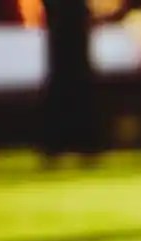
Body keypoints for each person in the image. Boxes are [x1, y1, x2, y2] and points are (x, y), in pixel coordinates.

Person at [40, 0, 105, 161]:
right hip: (66, 19)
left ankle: (64, 143)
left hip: (66, 19)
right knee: (71, 78)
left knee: (69, 78)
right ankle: (74, 143)